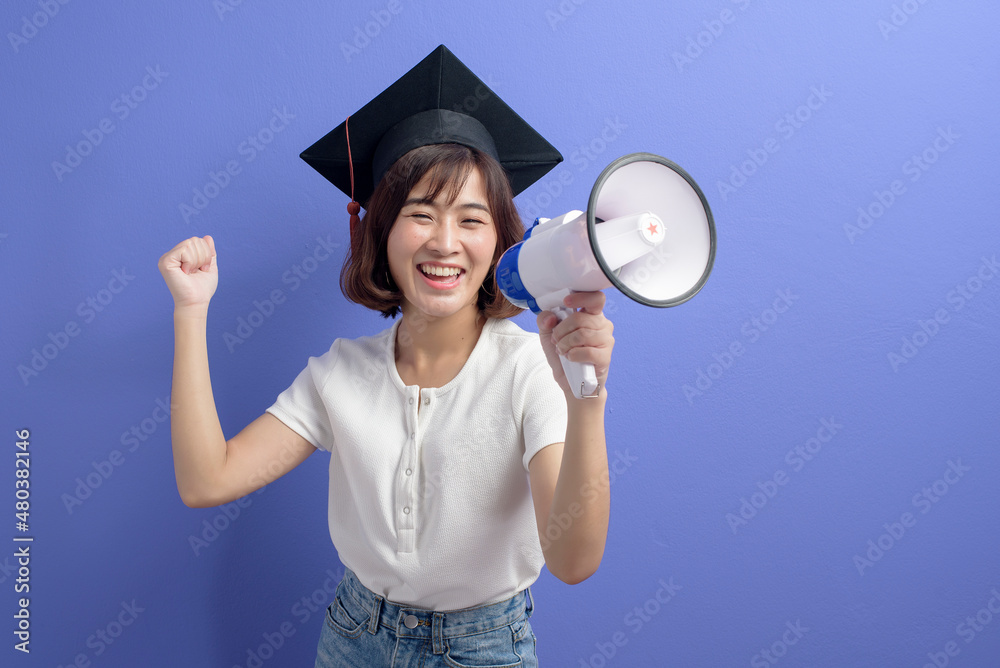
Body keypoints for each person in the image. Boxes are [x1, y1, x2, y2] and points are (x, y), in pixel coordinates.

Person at [157, 46, 615, 667]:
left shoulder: (528, 370)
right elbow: (206, 479)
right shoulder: (340, 374)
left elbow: (573, 561)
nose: (445, 242)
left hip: (483, 649)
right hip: (353, 637)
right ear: (378, 229)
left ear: (500, 236)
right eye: (418, 213)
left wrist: (585, 399)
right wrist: (191, 310)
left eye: (471, 219)